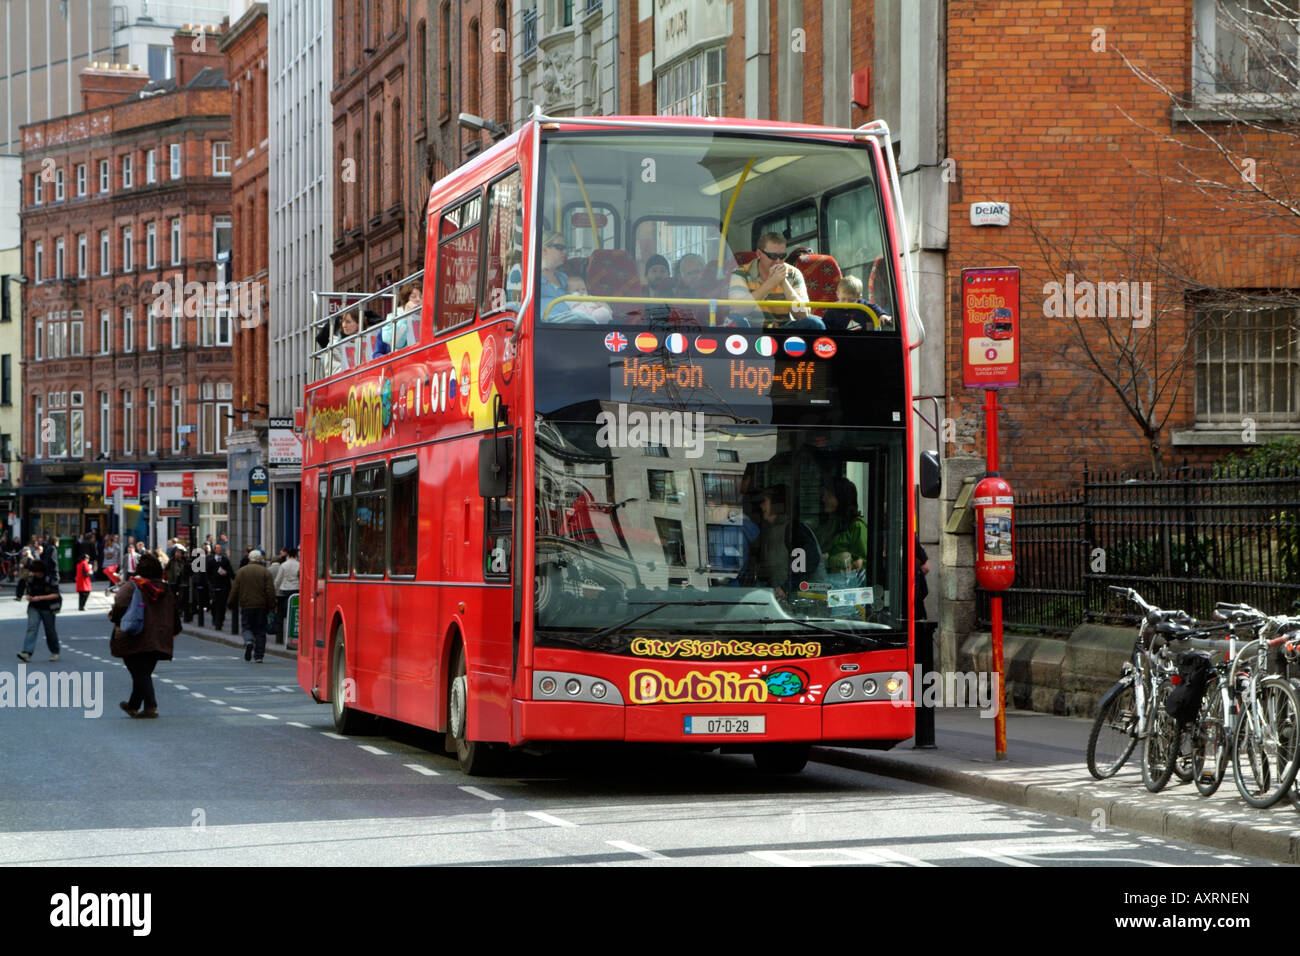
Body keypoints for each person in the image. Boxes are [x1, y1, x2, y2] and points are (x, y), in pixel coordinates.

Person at [110, 552, 178, 719]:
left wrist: (117, 620)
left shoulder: (133, 586)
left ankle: (150, 706)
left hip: (134, 635)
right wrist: (173, 631)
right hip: (158, 637)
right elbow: (174, 612)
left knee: (138, 671)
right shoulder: (165, 589)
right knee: (144, 671)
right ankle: (133, 706)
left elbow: (119, 603)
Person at [728, 231, 814, 328]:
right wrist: (770, 283)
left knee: (814, 323)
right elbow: (737, 310)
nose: (777, 261)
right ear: (759, 254)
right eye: (772, 256)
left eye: (782, 256)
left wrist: (784, 282)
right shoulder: (741, 273)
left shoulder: (793, 274)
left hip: (784, 327)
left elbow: (803, 315)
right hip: (751, 328)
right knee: (735, 321)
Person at [229, 549, 277, 662]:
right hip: (261, 606)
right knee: (260, 630)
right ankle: (259, 656)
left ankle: (249, 641)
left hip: (246, 605)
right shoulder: (265, 572)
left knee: (246, 627)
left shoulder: (241, 571)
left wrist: (230, 603)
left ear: (249, 559)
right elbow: (270, 591)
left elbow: (235, 589)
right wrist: (272, 605)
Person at [819, 476, 869, 573]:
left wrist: (834, 561)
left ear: (841, 499)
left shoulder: (857, 526)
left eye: (829, 496)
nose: (823, 499)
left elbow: (865, 563)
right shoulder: (832, 524)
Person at [17, 561, 61, 662]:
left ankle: (55, 652)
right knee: (32, 628)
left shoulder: (50, 579)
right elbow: (28, 592)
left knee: (50, 631)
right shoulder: (31, 579)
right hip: (34, 607)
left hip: (48, 608)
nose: (33, 574)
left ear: (41, 571)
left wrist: (40, 598)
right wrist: (28, 597)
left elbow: (56, 594)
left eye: (35, 572)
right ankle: (26, 652)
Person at [821, 274, 885, 332]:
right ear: (837, 294)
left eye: (851, 300)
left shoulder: (862, 306)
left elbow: (874, 308)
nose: (846, 303)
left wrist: (882, 315)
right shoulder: (832, 309)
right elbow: (824, 325)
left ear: (858, 297)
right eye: (843, 299)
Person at [537, 230, 571, 322]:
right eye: (559, 247)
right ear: (544, 250)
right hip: (541, 327)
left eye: (565, 248)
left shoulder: (564, 278)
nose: (565, 251)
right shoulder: (529, 276)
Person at [273, 547, 300, 643]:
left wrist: (274, 590)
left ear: (288, 555)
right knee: (295, 612)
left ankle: (281, 638)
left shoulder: (284, 565)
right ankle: (293, 637)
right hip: (296, 589)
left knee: (282, 613)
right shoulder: (299, 564)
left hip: (285, 590)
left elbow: (278, 579)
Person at [206, 543, 234, 630]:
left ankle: (220, 621)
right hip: (214, 586)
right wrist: (209, 583)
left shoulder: (225, 560)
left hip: (223, 586)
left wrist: (226, 573)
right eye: (217, 548)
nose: (219, 550)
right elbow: (207, 574)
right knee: (214, 604)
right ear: (214, 550)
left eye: (220, 549)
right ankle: (215, 619)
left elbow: (231, 573)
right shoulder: (210, 561)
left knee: (222, 605)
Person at [188, 547, 210, 627]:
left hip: (197, 581)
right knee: (201, 597)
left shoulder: (194, 561)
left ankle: (196, 610)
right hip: (201, 582)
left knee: (197, 597)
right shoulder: (203, 561)